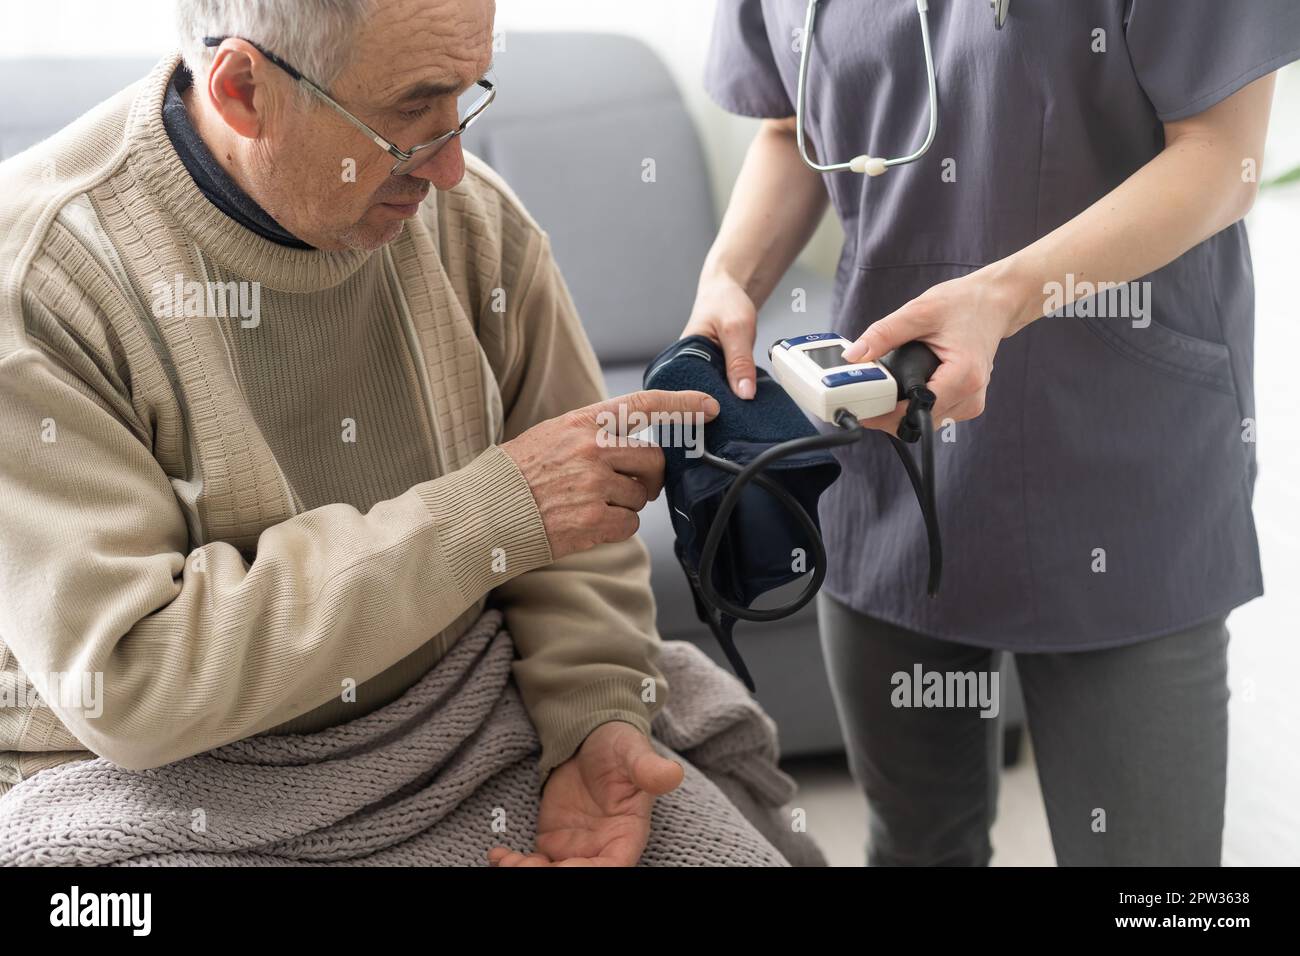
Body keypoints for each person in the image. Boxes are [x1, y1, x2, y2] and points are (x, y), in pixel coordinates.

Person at [0, 0, 723, 866]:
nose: (454, 167)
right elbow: (135, 679)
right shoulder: (40, 281)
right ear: (241, 90)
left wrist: (594, 714)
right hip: (163, 780)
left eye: (466, 96)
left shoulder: (471, 222)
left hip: (464, 709)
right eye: (411, 114)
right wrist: (492, 515)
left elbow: (578, 522)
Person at [689, 0, 1300, 865]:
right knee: (915, 846)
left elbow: (1223, 156)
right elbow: (793, 130)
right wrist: (728, 279)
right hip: (892, 450)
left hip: (1124, 449)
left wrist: (1004, 297)